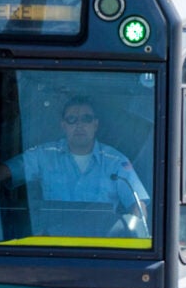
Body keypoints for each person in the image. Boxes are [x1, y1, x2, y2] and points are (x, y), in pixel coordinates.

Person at [12, 95, 149, 234]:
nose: (79, 125)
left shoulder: (116, 162)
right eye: (72, 119)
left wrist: (132, 232)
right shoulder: (43, 155)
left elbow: (137, 205)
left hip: (103, 248)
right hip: (52, 247)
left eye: (86, 119)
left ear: (95, 124)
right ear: (63, 125)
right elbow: (3, 172)